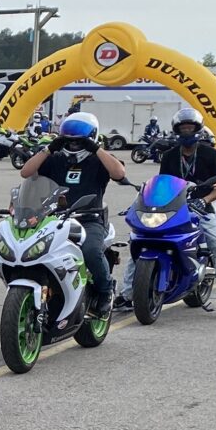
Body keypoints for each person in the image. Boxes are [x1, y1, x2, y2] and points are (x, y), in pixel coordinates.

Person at [20, 110, 133, 322]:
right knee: (29, 251)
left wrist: (96, 148)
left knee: (90, 252)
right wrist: (49, 148)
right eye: (69, 141)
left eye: (78, 141)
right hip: (54, 219)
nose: (73, 146)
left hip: (89, 219)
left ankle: (106, 290)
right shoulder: (55, 159)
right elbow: (26, 172)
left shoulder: (99, 160)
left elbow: (119, 174)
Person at [157, 107, 216, 319]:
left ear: (198, 129)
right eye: (183, 128)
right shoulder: (169, 156)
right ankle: (127, 294)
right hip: (174, 208)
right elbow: (162, 184)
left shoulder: (210, 154)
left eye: (190, 128)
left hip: (203, 207)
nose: (187, 132)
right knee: (144, 239)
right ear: (176, 130)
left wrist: (203, 200)